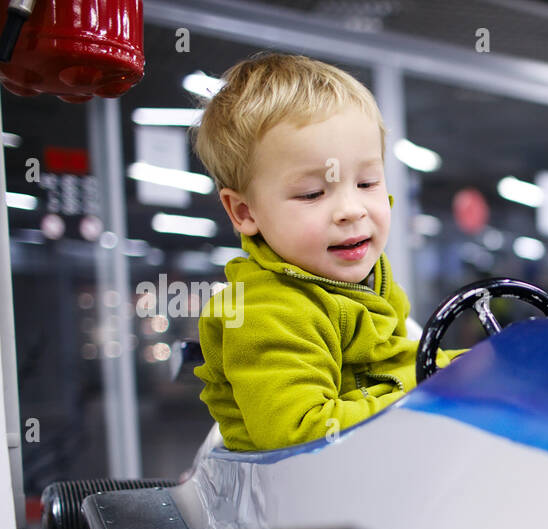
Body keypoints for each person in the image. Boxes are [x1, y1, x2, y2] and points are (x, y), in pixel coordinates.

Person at [189, 52, 462, 451]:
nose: (351, 210)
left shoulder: (369, 283)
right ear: (245, 212)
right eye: (312, 193)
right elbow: (303, 434)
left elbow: (396, 365)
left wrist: (468, 367)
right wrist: (440, 392)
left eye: (367, 183)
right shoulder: (265, 314)